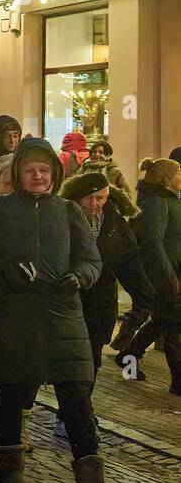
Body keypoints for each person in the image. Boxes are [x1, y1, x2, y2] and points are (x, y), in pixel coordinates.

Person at [0, 137, 126, 483]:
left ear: (54, 174)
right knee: (13, 390)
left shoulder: (68, 211)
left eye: (44, 170)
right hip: (15, 315)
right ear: (18, 173)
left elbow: (92, 260)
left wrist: (79, 277)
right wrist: (5, 272)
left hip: (63, 315)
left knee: (76, 398)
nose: (37, 176)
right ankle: (11, 471)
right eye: (30, 170)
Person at [61, 171, 154, 399]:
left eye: (100, 198)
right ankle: (72, 413)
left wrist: (144, 295)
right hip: (69, 301)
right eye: (89, 198)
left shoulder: (113, 222)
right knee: (69, 362)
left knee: (91, 361)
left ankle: (79, 412)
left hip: (100, 304)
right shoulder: (61, 218)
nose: (95, 204)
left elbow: (128, 260)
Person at [116, 158, 181, 394]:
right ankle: (178, 381)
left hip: (173, 271)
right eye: (178, 172)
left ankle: (129, 357)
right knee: (175, 324)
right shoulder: (157, 202)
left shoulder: (168, 199)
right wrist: (167, 275)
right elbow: (153, 243)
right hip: (166, 274)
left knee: (164, 320)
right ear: (167, 178)